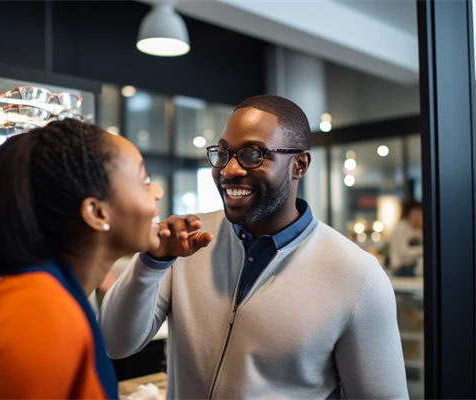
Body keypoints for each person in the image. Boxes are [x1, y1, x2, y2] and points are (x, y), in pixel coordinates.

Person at [99, 95, 409, 399]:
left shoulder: (357, 276)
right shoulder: (187, 241)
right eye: (223, 153)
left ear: (299, 164)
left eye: (253, 154)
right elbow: (115, 342)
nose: (229, 170)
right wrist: (152, 262)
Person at [0, 119, 164, 400]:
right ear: (97, 213)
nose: (159, 191)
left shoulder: (48, 301)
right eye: (145, 182)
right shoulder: (36, 316)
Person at [389, 199, 423, 277]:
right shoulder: (401, 227)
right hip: (400, 269)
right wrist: (422, 250)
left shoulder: (414, 229)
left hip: (410, 267)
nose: (419, 217)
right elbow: (403, 253)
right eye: (417, 214)